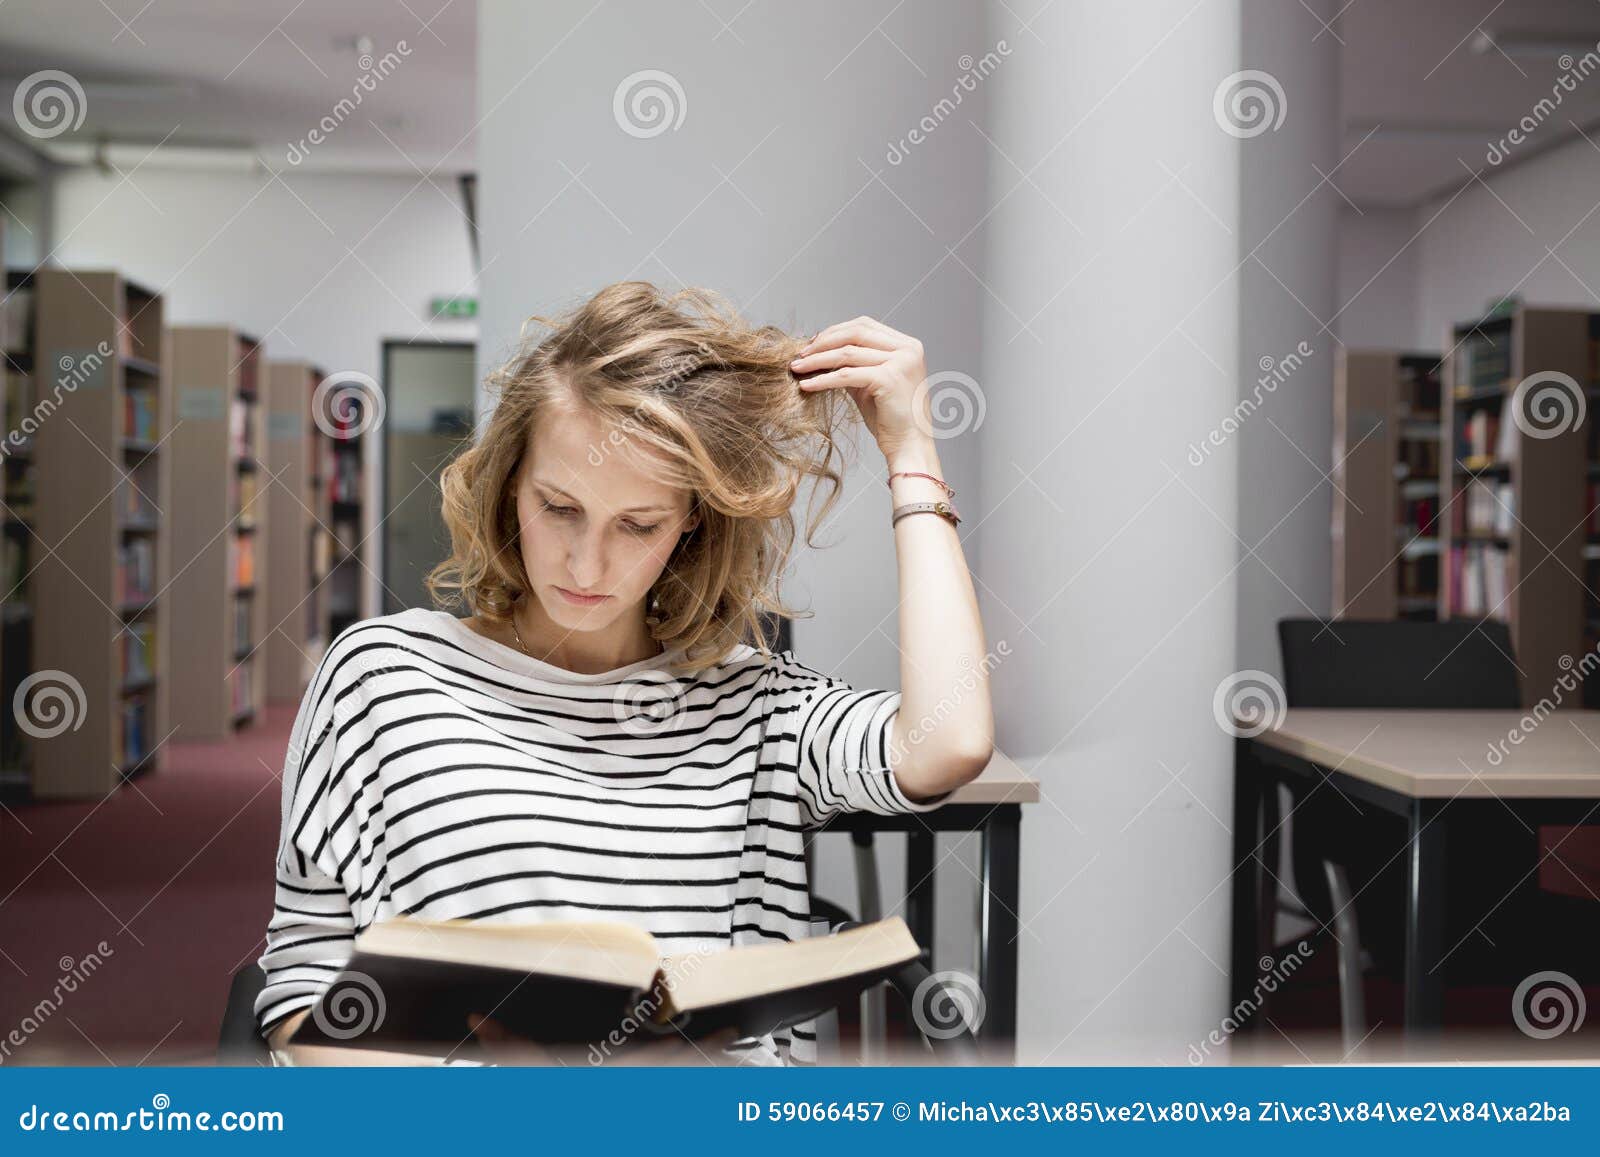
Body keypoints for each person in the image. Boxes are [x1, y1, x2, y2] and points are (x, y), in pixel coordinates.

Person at [255, 281, 994, 1066]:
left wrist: (912, 451)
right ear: (510, 486)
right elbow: (301, 994)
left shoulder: (757, 707)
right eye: (560, 507)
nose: (586, 563)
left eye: (637, 523)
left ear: (689, 521)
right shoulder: (383, 678)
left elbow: (947, 742)